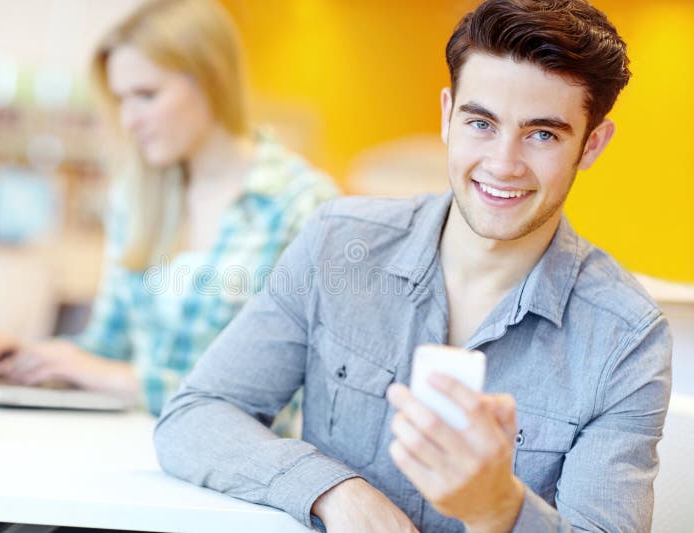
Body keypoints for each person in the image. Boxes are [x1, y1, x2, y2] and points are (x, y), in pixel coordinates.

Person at [154, 0, 672, 531]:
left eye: (542, 134)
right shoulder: (338, 243)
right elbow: (198, 414)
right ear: (447, 115)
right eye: (481, 123)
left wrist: (500, 510)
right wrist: (334, 490)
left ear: (591, 145)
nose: (502, 163)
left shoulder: (625, 338)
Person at [0, 0, 338, 416]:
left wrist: (119, 379)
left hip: (224, 467)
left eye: (146, 95)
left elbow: (290, 407)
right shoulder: (135, 197)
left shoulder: (304, 206)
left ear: (212, 79)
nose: (129, 120)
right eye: (121, 100)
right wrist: (39, 359)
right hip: (118, 447)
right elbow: (106, 348)